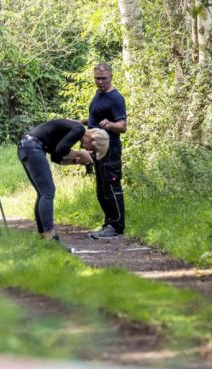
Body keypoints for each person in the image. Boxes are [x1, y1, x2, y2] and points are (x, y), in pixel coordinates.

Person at [18, 120, 109, 241]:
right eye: (92, 149)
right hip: (32, 147)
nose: (86, 149)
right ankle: (50, 235)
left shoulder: (74, 132)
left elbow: (55, 157)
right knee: (48, 192)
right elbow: (61, 150)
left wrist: (76, 161)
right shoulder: (79, 129)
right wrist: (80, 154)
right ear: (93, 140)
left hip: (27, 146)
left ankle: (44, 236)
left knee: (43, 193)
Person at [83, 62, 128, 240]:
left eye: (103, 79)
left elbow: (122, 126)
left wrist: (110, 124)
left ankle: (117, 226)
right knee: (101, 189)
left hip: (110, 147)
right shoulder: (98, 95)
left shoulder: (116, 98)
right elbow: (96, 117)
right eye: (97, 78)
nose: (100, 82)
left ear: (111, 77)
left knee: (111, 185)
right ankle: (109, 224)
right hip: (97, 147)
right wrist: (82, 122)